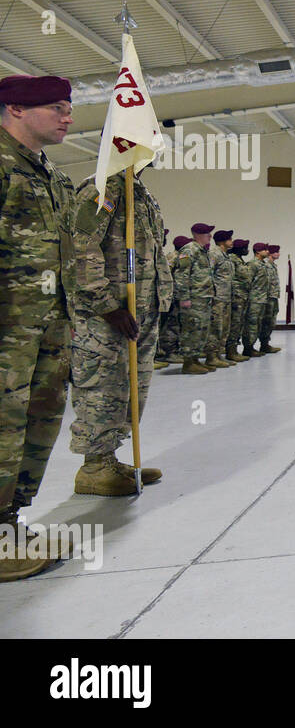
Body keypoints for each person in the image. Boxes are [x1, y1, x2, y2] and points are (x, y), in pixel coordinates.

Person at [0, 74, 76, 580]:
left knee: (38, 423)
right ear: (16, 110)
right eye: (57, 108)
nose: (68, 117)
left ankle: (9, 522)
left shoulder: (48, 172)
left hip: (46, 328)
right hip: (8, 332)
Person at [67, 168, 169, 495]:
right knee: (103, 384)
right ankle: (94, 467)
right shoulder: (103, 188)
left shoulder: (140, 192)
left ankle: (110, 458)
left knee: (131, 387)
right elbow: (81, 245)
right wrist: (106, 304)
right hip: (108, 314)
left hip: (139, 310)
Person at [173, 223, 216, 374]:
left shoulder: (202, 251)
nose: (210, 236)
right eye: (207, 234)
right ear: (197, 235)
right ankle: (188, 363)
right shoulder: (189, 250)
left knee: (201, 330)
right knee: (191, 329)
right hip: (194, 298)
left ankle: (195, 359)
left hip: (203, 297)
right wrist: (184, 297)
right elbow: (181, 275)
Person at [204, 229, 237, 369]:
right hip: (217, 298)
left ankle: (218, 355)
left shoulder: (226, 256)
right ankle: (211, 357)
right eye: (230, 239)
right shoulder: (214, 254)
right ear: (222, 241)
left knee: (224, 328)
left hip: (225, 297)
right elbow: (208, 274)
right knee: (215, 328)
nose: (232, 241)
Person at [157, 234, 188, 365]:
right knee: (171, 325)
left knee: (175, 324)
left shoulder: (177, 257)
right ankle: (169, 352)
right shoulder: (174, 257)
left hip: (175, 296)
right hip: (171, 296)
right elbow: (166, 276)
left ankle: (171, 351)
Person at [243, 243, 271, 358]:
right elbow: (247, 281)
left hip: (262, 299)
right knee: (251, 324)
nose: (267, 251)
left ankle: (252, 346)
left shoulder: (263, 264)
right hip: (254, 299)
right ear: (258, 252)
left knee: (258, 324)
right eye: (264, 249)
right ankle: (248, 348)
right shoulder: (252, 264)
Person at [225, 239, 252, 363]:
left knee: (239, 323)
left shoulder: (239, 260)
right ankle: (231, 351)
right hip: (236, 296)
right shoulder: (232, 259)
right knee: (234, 324)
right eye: (245, 247)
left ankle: (234, 350)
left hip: (242, 296)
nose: (247, 250)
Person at [260, 244, 282, 353]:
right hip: (268, 297)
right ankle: (264, 344)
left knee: (271, 322)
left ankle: (266, 343)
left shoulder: (273, 265)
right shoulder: (267, 266)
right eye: (276, 252)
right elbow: (266, 282)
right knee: (267, 321)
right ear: (270, 253)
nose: (278, 254)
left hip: (273, 297)